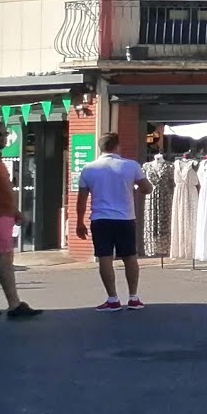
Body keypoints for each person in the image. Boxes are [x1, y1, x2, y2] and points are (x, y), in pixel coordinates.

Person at [76, 132, 152, 312]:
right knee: (130, 257)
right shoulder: (131, 166)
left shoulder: (89, 168)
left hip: (100, 219)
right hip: (125, 218)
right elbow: (147, 188)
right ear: (117, 146)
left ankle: (112, 299)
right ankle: (133, 297)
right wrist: (136, 188)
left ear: (100, 147)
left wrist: (79, 222)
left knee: (105, 257)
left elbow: (81, 199)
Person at [0, 123, 40, 319]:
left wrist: (15, 212)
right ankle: (14, 304)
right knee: (5, 259)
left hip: (2, 215)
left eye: (4, 134)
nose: (2, 138)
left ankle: (14, 304)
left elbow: (2, 191)